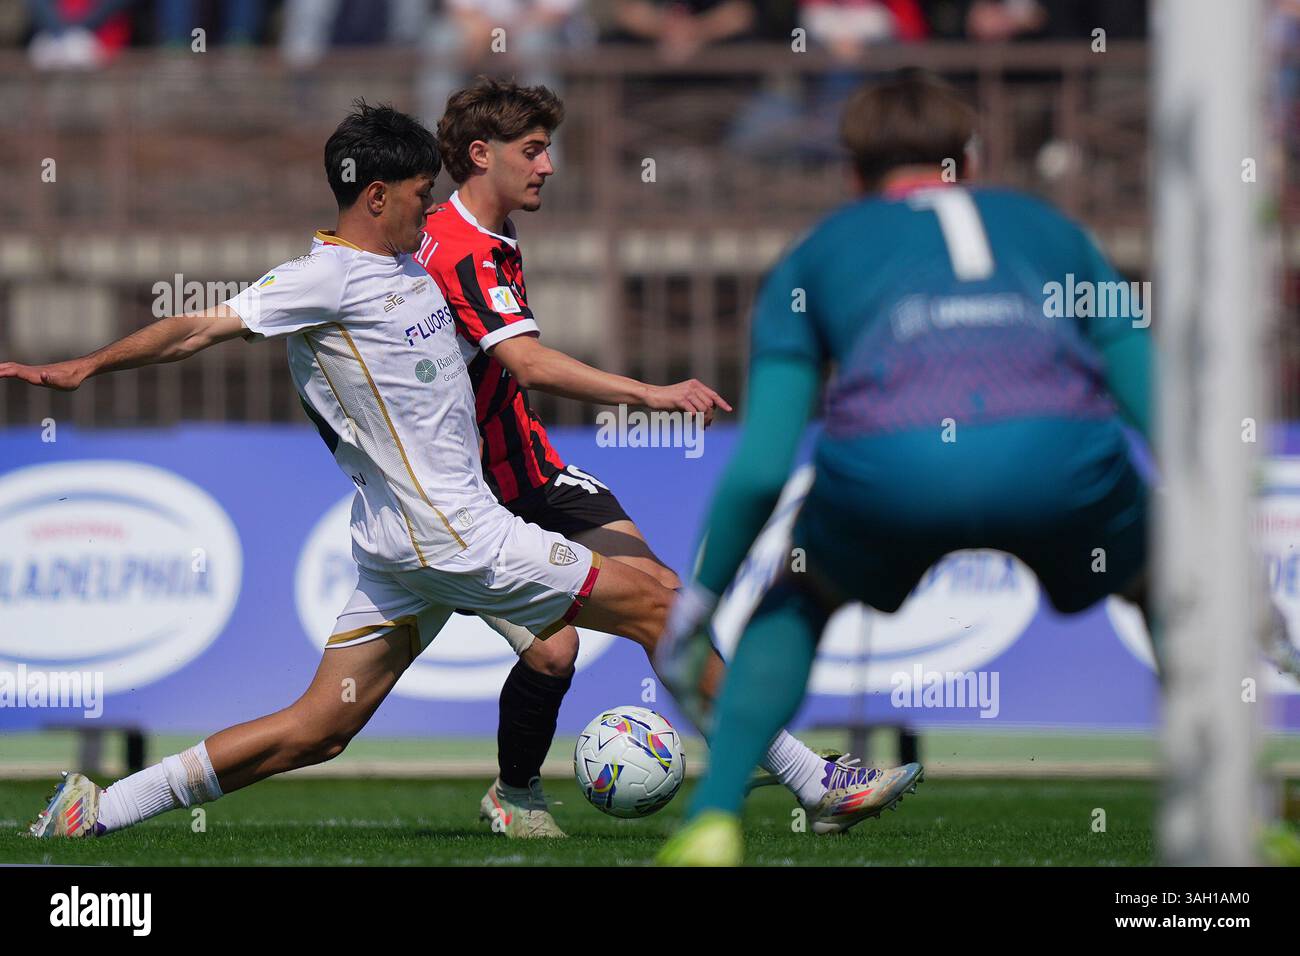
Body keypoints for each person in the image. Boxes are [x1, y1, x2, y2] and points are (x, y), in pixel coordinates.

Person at [5, 100, 676, 840]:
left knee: (317, 730)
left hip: (402, 553)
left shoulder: (408, 258)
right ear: (377, 195)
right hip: (453, 537)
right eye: (422, 195)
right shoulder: (325, 279)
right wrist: (87, 366)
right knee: (661, 607)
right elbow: (196, 326)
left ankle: (99, 810)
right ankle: (810, 783)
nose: (432, 208)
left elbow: (472, 259)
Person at [656, 69, 1153, 865]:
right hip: (1061, 455)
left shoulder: (814, 255)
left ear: (852, 175)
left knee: (799, 597)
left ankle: (713, 823)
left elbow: (760, 468)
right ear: (973, 160)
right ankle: (1230, 806)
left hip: (888, 465)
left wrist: (699, 604)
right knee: (1167, 585)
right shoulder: (1053, 229)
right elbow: (1156, 408)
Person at [421, 77, 922, 837]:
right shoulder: (457, 248)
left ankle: (809, 780)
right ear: (480, 155)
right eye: (533, 150)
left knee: (666, 604)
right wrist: (651, 394)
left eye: (549, 147)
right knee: (550, 654)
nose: (549, 165)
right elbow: (530, 365)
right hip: (468, 500)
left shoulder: (482, 234)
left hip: (538, 475)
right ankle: (517, 794)